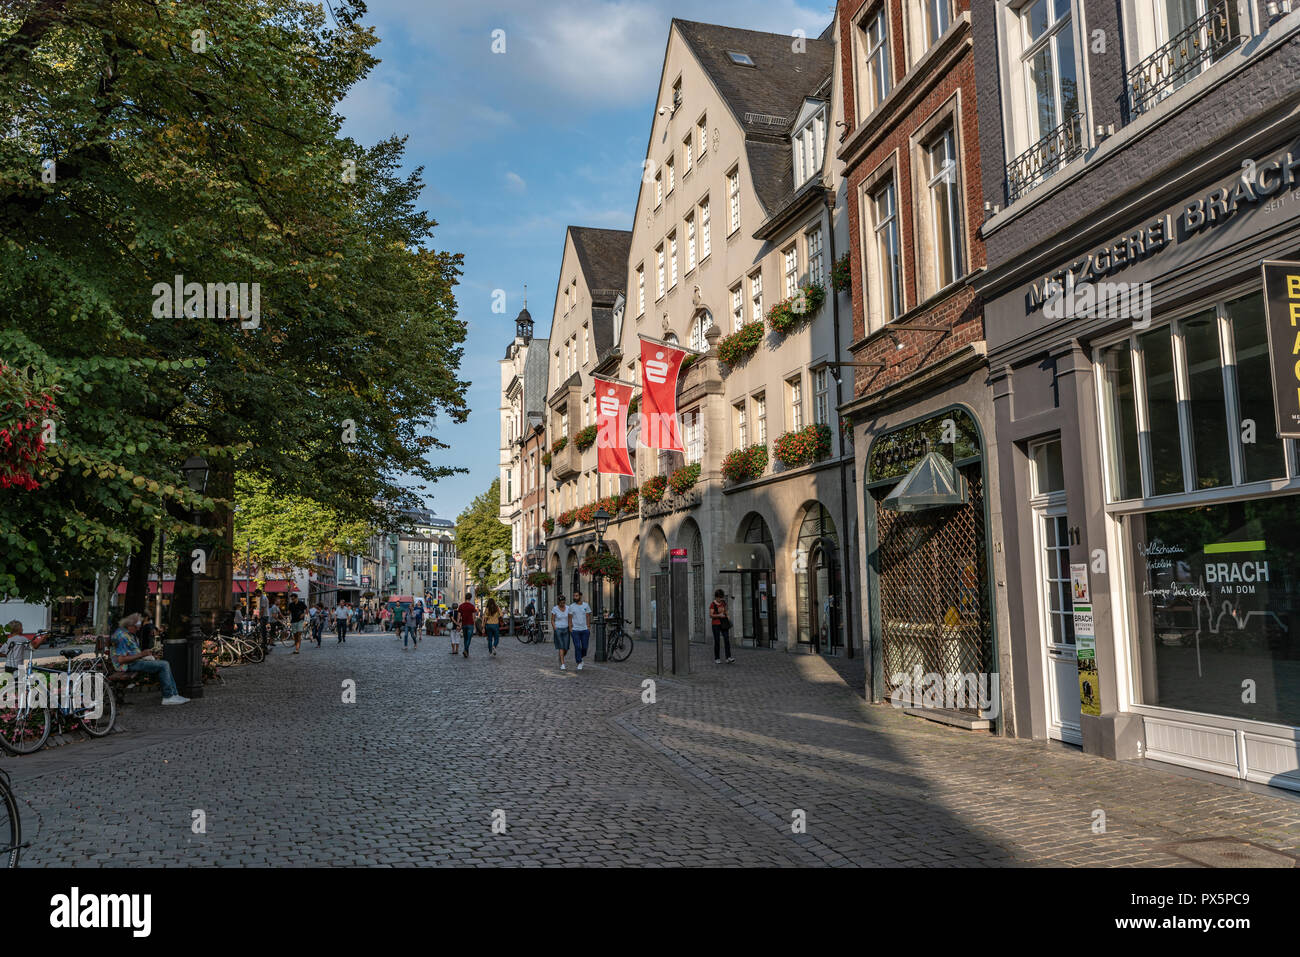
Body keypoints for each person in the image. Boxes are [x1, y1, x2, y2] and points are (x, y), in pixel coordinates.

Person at [111, 613, 189, 705]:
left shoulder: (128, 634)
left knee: (163, 663)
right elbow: (121, 660)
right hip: (126, 666)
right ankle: (168, 696)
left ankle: (174, 695)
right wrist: (141, 655)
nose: (139, 629)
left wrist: (145, 656)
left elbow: (131, 653)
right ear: (129, 625)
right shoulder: (121, 636)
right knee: (164, 665)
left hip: (133, 662)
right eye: (137, 627)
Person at [568, 590, 592, 671]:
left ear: (580, 596)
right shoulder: (571, 606)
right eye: (574, 596)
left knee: (584, 647)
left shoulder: (586, 605)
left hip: (585, 630)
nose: (575, 597)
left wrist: (588, 626)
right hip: (575, 630)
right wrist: (570, 628)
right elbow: (570, 618)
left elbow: (588, 616)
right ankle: (579, 662)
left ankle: (580, 657)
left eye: (576, 596)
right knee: (577, 646)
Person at [709, 589, 735, 664]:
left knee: (727, 639)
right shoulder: (712, 604)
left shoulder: (723, 603)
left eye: (721, 597)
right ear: (716, 597)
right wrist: (719, 615)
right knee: (717, 641)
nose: (720, 599)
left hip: (724, 624)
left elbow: (726, 611)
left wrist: (728, 616)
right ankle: (717, 658)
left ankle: (728, 657)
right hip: (715, 624)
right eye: (719, 598)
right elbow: (711, 615)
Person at [550, 594, 572, 671]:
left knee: (566, 647)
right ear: (558, 602)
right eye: (561, 602)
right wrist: (555, 628)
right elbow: (552, 619)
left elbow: (570, 619)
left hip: (566, 629)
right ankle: (562, 664)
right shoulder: (555, 609)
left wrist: (570, 628)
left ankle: (561, 656)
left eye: (563, 602)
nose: (562, 604)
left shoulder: (568, 608)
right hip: (558, 629)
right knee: (561, 646)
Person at [457, 592, 477, 658]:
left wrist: (458, 624)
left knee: (465, 638)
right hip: (470, 624)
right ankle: (466, 650)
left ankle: (466, 652)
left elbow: (459, 616)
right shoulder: (472, 606)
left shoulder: (461, 606)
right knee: (469, 638)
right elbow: (473, 617)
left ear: (465, 598)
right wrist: (474, 625)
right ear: (470, 598)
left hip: (464, 624)